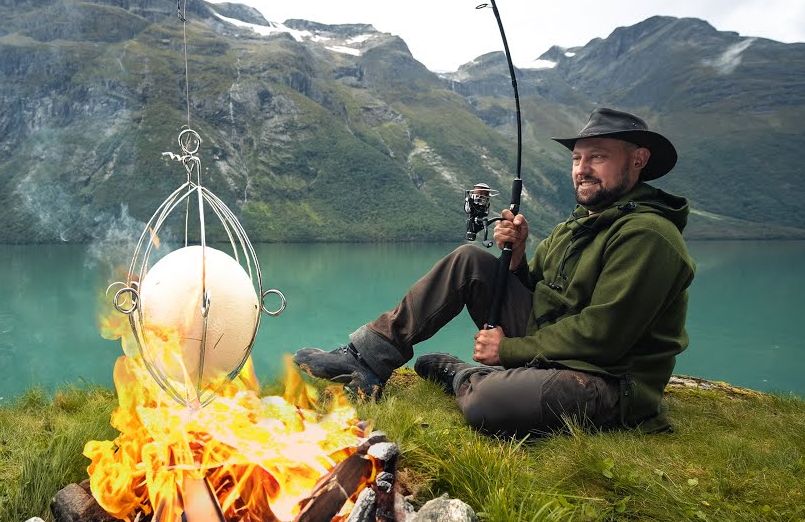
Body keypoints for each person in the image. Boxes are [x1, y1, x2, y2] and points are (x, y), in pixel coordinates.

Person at [294, 107, 695, 436]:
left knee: (486, 404)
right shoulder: (577, 224)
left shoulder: (648, 235)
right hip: (556, 348)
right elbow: (536, 293)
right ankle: (366, 358)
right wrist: (517, 258)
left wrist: (507, 351)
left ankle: (460, 374)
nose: (582, 168)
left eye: (599, 156)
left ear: (638, 160)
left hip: (609, 379)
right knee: (471, 259)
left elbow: (605, 336)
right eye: (577, 157)